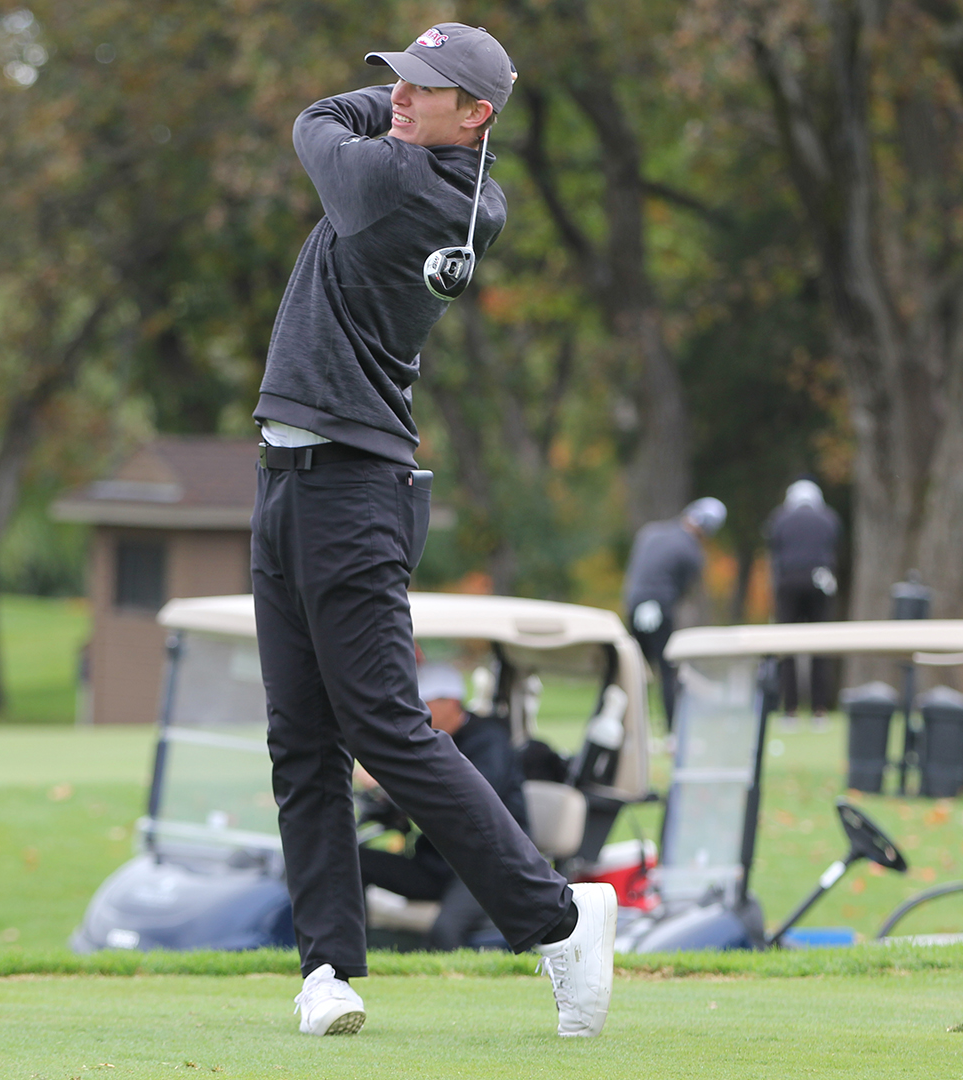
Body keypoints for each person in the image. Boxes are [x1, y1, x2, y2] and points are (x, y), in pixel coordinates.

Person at [248, 24, 614, 1039]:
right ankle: (329, 969)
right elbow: (367, 125)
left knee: (383, 729)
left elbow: (315, 120)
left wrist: (378, 119)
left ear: (479, 114)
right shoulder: (444, 185)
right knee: (300, 740)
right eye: (396, 80)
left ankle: (561, 919)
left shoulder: (398, 188)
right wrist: (408, 114)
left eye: (426, 88)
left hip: (350, 487)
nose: (399, 97)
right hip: (289, 478)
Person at [356, 663, 529, 951]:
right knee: (353, 861)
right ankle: (353, 954)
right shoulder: (425, 742)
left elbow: (466, 806)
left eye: (423, 704)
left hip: (485, 867)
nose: (415, 713)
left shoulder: (489, 741)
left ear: (451, 702)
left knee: (444, 931)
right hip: (438, 863)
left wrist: (389, 785)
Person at [623, 497, 725, 729]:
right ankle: (673, 730)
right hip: (659, 607)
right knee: (667, 671)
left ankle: (625, 726)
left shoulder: (650, 532)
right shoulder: (692, 552)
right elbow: (680, 591)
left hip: (634, 605)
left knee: (632, 669)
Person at [765, 479, 841, 725]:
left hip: (788, 582)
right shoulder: (829, 518)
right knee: (819, 646)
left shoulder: (780, 518)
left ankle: (791, 710)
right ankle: (819, 709)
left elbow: (773, 549)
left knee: (787, 647)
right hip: (820, 582)